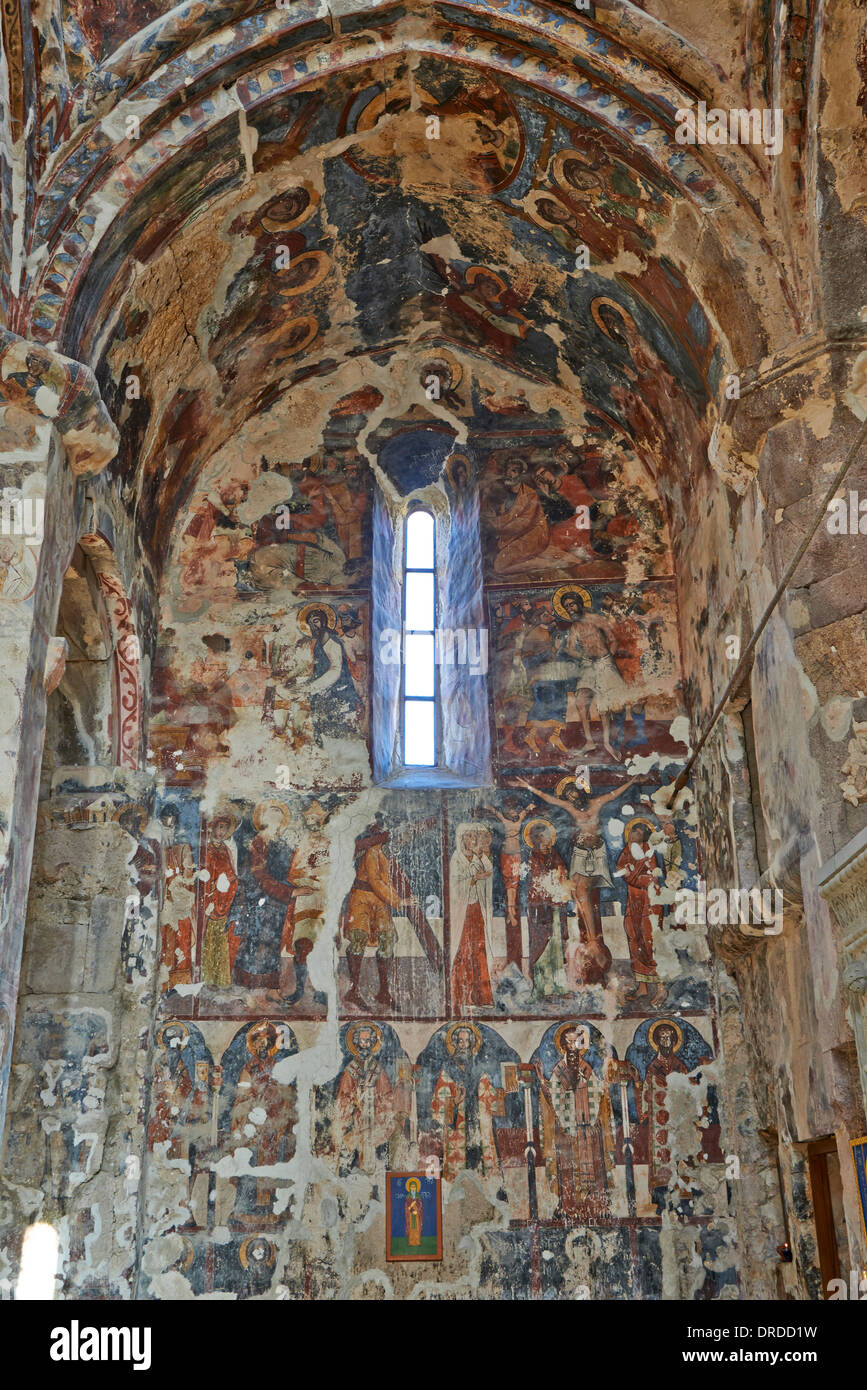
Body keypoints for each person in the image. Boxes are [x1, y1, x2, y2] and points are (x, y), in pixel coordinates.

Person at [512, 775, 622, 985]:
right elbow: (549, 798)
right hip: (549, 899)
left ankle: (593, 944)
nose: (572, 795)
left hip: (595, 855)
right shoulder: (537, 854)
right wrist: (527, 785)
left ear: (579, 790)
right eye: (568, 794)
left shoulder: (595, 804)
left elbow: (613, 794)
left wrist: (633, 780)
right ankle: (589, 945)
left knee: (585, 897)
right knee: (578, 897)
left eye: (573, 791)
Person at [233, 801, 312, 995]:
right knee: (258, 944)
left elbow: (281, 873)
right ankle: (253, 991)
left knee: (271, 945)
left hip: (274, 902)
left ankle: (268, 989)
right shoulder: (258, 843)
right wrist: (292, 892)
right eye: (274, 819)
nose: (278, 824)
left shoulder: (274, 844)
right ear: (264, 821)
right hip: (259, 901)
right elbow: (261, 878)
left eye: (280, 820)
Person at [538, 1024, 614, 1221]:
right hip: (567, 1130)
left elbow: (598, 1092)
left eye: (576, 1042)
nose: (573, 1046)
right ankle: (568, 1207)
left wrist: (605, 1083)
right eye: (569, 1042)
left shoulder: (587, 1069)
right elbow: (553, 1095)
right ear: (563, 1045)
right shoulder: (558, 1070)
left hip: (588, 1128)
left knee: (596, 1167)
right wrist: (541, 1082)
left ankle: (598, 1206)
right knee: (567, 1169)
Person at [340, 822, 415, 1011]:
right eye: (400, 840)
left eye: (404, 842)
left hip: (380, 901)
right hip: (362, 899)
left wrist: (402, 889)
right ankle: (354, 990)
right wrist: (400, 902)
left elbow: (388, 880)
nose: (401, 844)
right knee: (358, 938)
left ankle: (384, 992)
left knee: (388, 939)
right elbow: (375, 881)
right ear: (391, 838)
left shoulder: (390, 856)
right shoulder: (373, 852)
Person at [429, 1023, 505, 1190]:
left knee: (481, 1169)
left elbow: (492, 1100)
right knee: (459, 1177)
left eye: (467, 1041)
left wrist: (502, 1092)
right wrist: (454, 1103)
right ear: (454, 1044)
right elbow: (437, 1105)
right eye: (460, 1041)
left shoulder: (479, 1070)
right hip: (458, 1130)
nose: (463, 1045)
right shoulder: (447, 1072)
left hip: (478, 1127)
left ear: (472, 1044)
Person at [333, 1023, 409, 1175]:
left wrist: (378, 1107)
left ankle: (393, 1172)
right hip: (357, 1121)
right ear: (356, 1043)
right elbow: (343, 1098)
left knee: (396, 1129)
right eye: (362, 1041)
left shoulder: (377, 1070)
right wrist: (354, 1102)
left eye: (368, 1041)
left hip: (377, 1119)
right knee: (348, 1141)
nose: (365, 1045)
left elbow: (387, 1096)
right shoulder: (350, 1070)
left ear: (373, 1043)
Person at [476, 797, 538, 970]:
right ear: (507, 813)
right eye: (511, 812)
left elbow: (526, 811)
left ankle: (511, 911)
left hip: (516, 854)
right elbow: (496, 813)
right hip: (506, 853)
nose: (513, 814)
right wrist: (488, 805)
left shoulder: (520, 820)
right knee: (507, 883)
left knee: (514, 884)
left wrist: (529, 806)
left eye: (515, 812)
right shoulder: (504, 820)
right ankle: (510, 910)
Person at [615, 820, 666, 1005]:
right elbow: (621, 871)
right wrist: (631, 872)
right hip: (633, 903)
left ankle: (661, 988)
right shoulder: (628, 850)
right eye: (631, 831)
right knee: (634, 940)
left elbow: (650, 879)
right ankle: (642, 987)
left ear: (643, 835)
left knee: (650, 942)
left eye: (636, 832)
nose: (632, 834)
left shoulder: (648, 851)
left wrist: (633, 873)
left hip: (649, 904)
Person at [524, 819, 571, 996]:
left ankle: (559, 986)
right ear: (535, 839)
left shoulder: (555, 854)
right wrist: (554, 876)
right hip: (540, 906)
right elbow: (538, 878)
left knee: (557, 945)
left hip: (556, 905)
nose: (546, 839)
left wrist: (560, 877)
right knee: (541, 945)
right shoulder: (533, 856)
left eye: (548, 836)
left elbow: (562, 872)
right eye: (542, 837)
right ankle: (542, 988)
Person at [449, 826, 494, 1009]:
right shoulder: (456, 858)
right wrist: (474, 878)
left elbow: (489, 870)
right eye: (469, 836)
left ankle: (482, 997)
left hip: (476, 909)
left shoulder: (476, 857)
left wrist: (481, 855)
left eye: (474, 836)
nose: (473, 839)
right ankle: (463, 997)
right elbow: (455, 883)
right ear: (461, 838)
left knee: (479, 950)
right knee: (464, 950)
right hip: (463, 911)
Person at [201, 808, 239, 989]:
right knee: (209, 940)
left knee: (221, 940)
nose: (222, 831)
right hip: (210, 900)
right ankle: (208, 979)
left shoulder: (225, 849)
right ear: (213, 828)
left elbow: (231, 873)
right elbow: (205, 875)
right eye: (220, 827)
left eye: (226, 828)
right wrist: (212, 887)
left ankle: (221, 979)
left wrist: (229, 881)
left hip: (224, 899)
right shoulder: (206, 849)